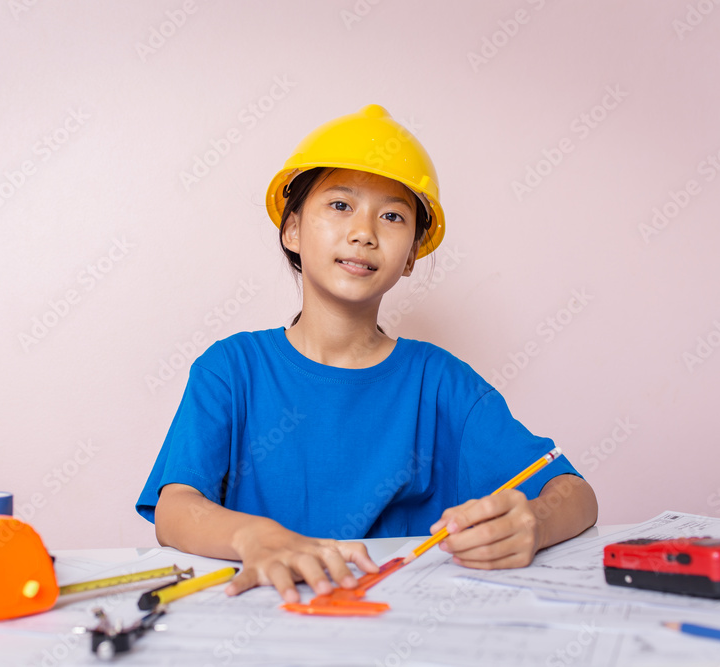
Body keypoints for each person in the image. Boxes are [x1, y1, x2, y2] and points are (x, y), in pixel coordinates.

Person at [136, 104, 598, 603]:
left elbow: (576, 494)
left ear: (411, 255)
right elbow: (175, 509)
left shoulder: (441, 384)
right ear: (292, 230)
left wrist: (535, 521)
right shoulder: (230, 369)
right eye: (340, 205)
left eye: (392, 216)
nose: (364, 232)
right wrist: (252, 536)